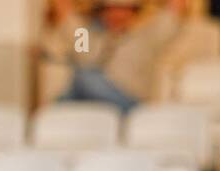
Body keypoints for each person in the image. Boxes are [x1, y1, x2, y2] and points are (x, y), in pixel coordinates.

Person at [43, 0, 185, 112]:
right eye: (110, 9)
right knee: (73, 87)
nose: (116, 14)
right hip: (96, 100)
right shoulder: (92, 38)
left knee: (83, 76)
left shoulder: (148, 36)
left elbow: (173, 13)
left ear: (133, 12)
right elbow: (68, 19)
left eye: (122, 9)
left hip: (131, 101)